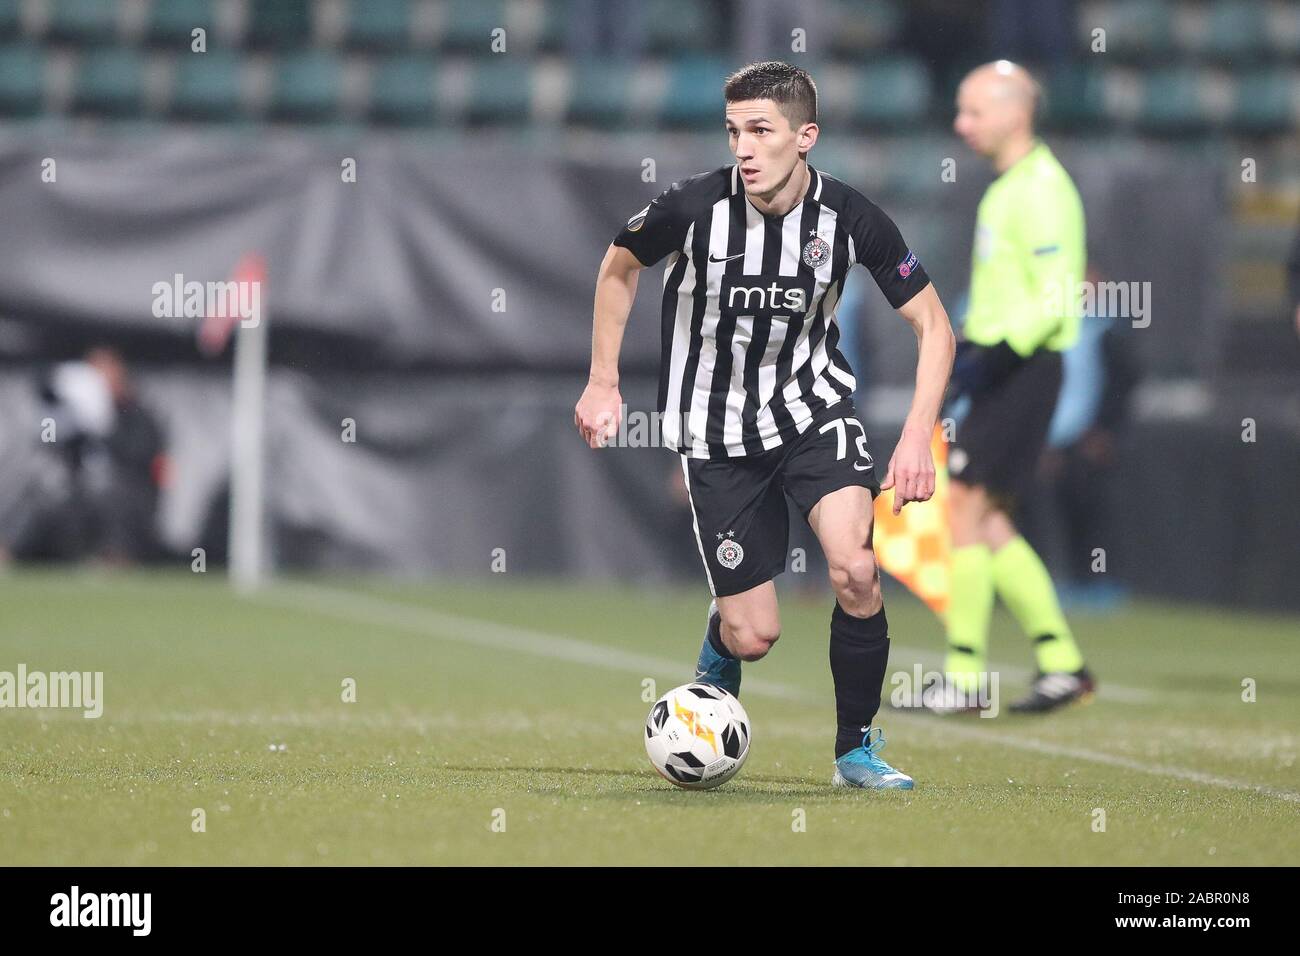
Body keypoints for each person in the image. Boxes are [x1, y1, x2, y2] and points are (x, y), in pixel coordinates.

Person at [574, 62, 954, 789]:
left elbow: (933, 325)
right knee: (756, 635)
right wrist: (602, 379)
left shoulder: (850, 218)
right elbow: (619, 266)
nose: (743, 148)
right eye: (733, 132)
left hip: (813, 412)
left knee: (856, 570)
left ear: (805, 136)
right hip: (715, 434)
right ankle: (720, 657)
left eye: (761, 131)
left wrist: (915, 435)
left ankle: (855, 752)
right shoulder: (691, 208)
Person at [927, 60, 1095, 715]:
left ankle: (965, 678)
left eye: (972, 111)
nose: (960, 124)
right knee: (989, 518)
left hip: (1021, 368)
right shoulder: (1009, 187)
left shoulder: (1043, 189)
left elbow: (1056, 297)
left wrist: (987, 358)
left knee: (966, 507)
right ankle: (1063, 664)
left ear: (1013, 113)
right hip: (1001, 362)